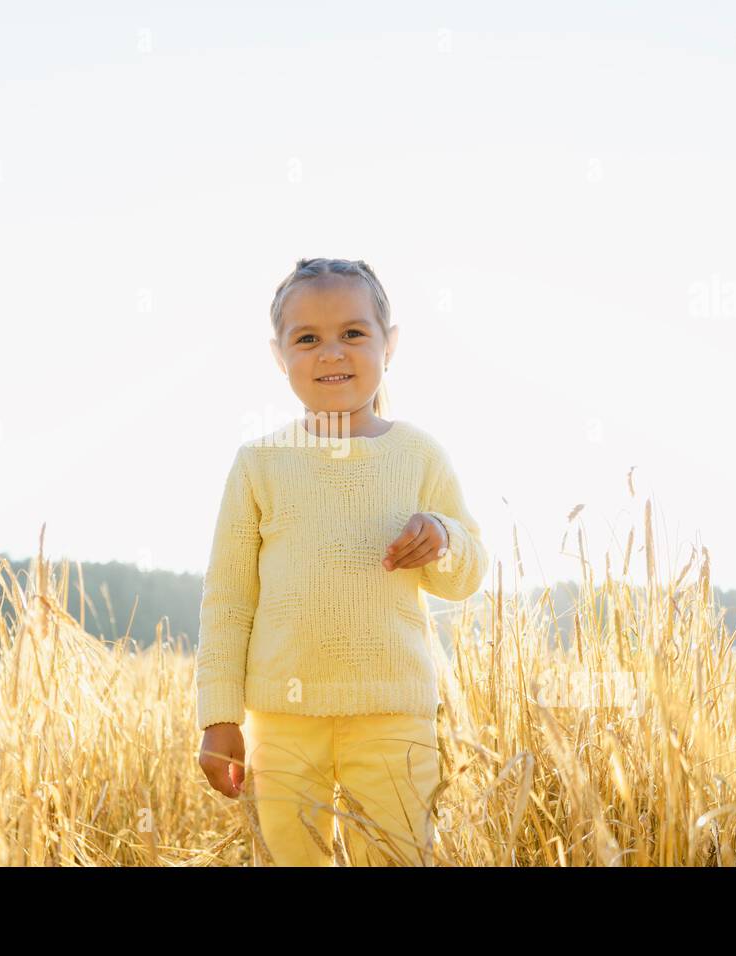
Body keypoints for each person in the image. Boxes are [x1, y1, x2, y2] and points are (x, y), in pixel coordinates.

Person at [195, 257, 489, 866]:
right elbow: (228, 600)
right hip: (280, 721)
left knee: (397, 858)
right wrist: (219, 718)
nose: (332, 353)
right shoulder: (259, 464)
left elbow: (469, 570)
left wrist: (442, 537)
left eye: (353, 333)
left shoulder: (418, 453)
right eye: (308, 339)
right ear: (279, 356)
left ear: (391, 344)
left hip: (393, 716)